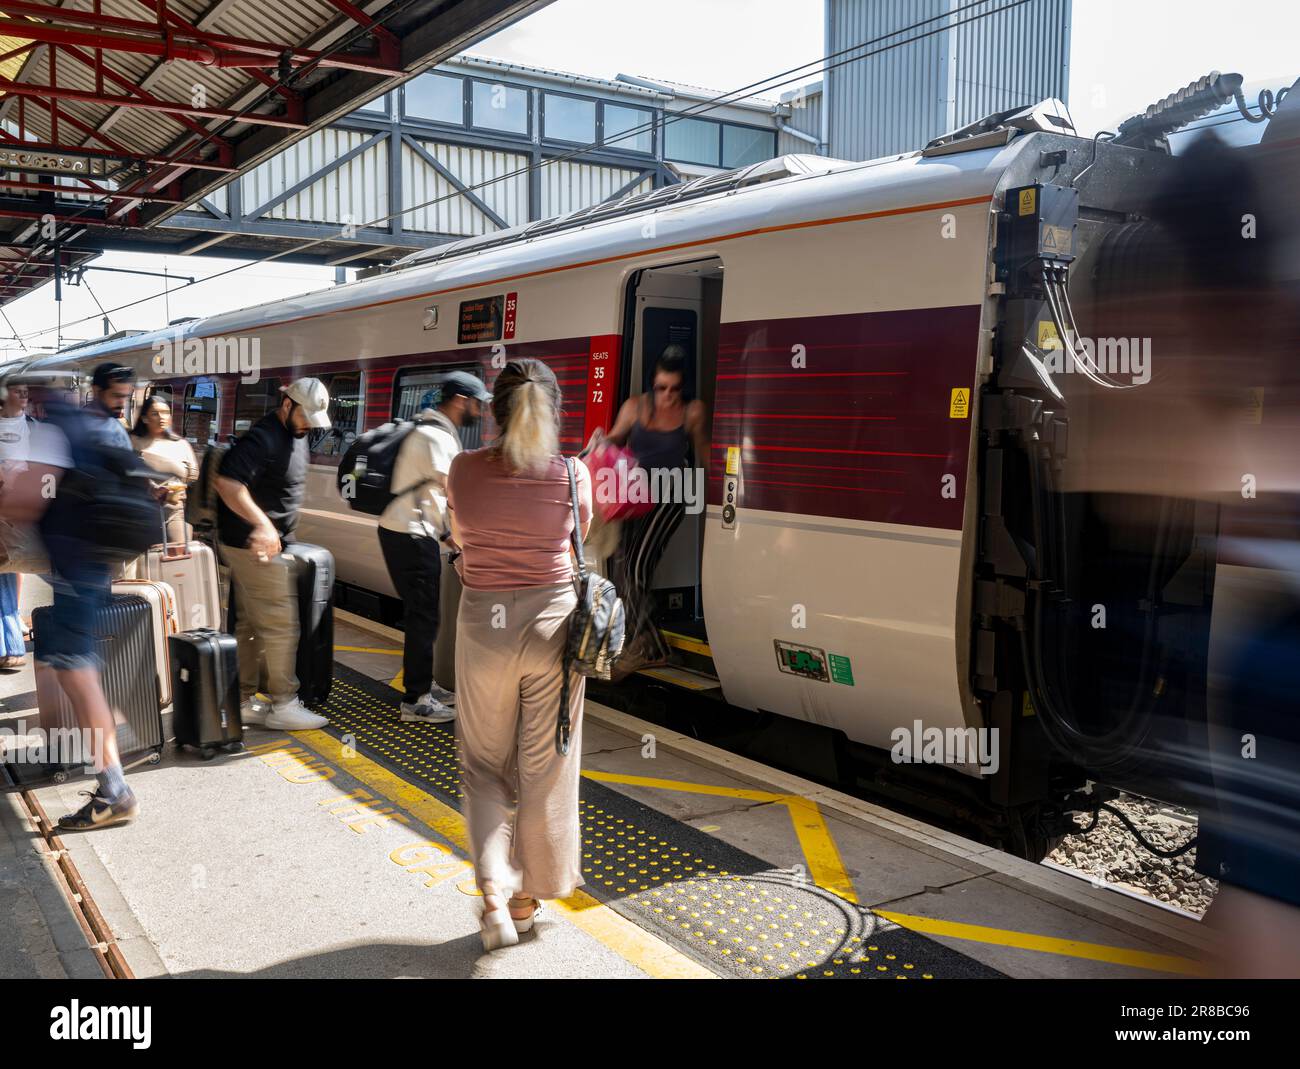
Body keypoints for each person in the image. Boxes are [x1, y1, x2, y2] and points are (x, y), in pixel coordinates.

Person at [445, 358, 592, 950]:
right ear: (554, 412)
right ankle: (529, 900)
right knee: (545, 765)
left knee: (483, 765)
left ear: (492, 412)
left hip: (484, 624)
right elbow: (582, 531)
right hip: (554, 626)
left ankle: (493, 898)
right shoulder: (572, 473)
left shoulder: (462, 468)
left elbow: (457, 537)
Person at [215, 378, 331, 732]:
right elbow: (227, 482)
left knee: (250, 625)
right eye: (305, 416)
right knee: (281, 623)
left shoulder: (294, 434)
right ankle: (284, 703)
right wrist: (264, 525)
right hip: (253, 544)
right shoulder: (263, 437)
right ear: (286, 405)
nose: (310, 424)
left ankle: (244, 699)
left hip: (257, 542)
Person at [378, 370, 490, 723]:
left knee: (425, 616)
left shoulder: (431, 430)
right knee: (423, 618)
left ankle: (423, 684)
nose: (481, 410)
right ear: (461, 401)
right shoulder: (435, 437)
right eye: (477, 403)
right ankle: (417, 702)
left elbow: (433, 497)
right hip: (410, 534)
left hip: (410, 531)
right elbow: (453, 494)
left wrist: (447, 538)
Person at [603, 345, 709, 670]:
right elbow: (615, 438)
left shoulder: (693, 411)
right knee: (622, 571)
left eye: (675, 389)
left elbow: (703, 454)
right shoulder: (635, 407)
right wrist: (597, 446)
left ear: (684, 387)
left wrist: (712, 495)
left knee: (636, 569)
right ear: (653, 384)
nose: (668, 396)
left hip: (671, 493)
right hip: (633, 494)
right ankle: (651, 646)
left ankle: (647, 647)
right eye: (662, 388)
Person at [130, 394, 198, 545]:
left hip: (175, 510)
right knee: (146, 561)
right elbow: (126, 472)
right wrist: (151, 487)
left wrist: (180, 486)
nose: (162, 417)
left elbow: (193, 476)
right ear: (145, 418)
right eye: (155, 413)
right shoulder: (133, 441)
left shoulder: (181, 444)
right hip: (142, 511)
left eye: (166, 412)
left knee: (178, 555)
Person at [0, 381, 33, 669]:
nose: (23, 394)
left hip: (17, 509)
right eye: (16, 389)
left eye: (25, 389)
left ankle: (9, 645)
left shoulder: (32, 425)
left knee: (9, 574)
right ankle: (9, 645)